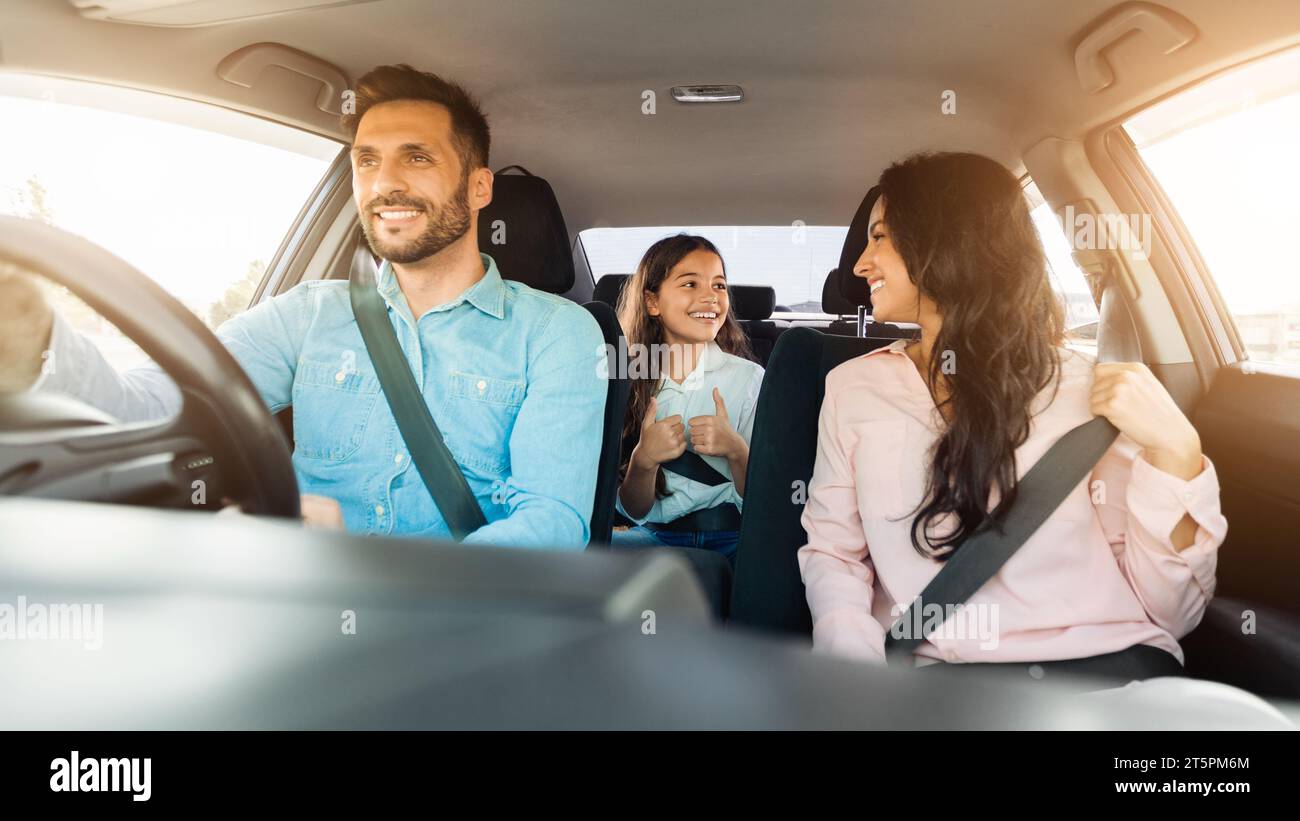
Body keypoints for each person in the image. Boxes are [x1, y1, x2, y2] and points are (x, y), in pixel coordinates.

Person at [0, 64, 606, 548]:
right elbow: (147, 406)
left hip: (462, 631)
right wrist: (29, 332)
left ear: (479, 187)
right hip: (300, 613)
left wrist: (384, 583)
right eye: (367, 161)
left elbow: (551, 525)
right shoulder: (308, 314)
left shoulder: (557, 333)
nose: (384, 183)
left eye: (416, 157)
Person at [798, 152, 1227, 681]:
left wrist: (1177, 454)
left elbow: (1173, 613)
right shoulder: (852, 389)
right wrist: (856, 685)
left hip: (1107, 678)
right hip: (940, 688)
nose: (860, 264)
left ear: (947, 241)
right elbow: (834, 556)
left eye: (880, 236)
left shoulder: (1092, 388)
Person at [611, 234, 764, 563]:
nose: (710, 296)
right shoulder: (624, 378)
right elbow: (634, 509)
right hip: (655, 537)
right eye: (690, 284)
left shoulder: (748, 378)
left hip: (735, 536)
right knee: (587, 553)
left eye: (719, 285)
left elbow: (764, 502)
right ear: (652, 302)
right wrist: (644, 461)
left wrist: (736, 451)